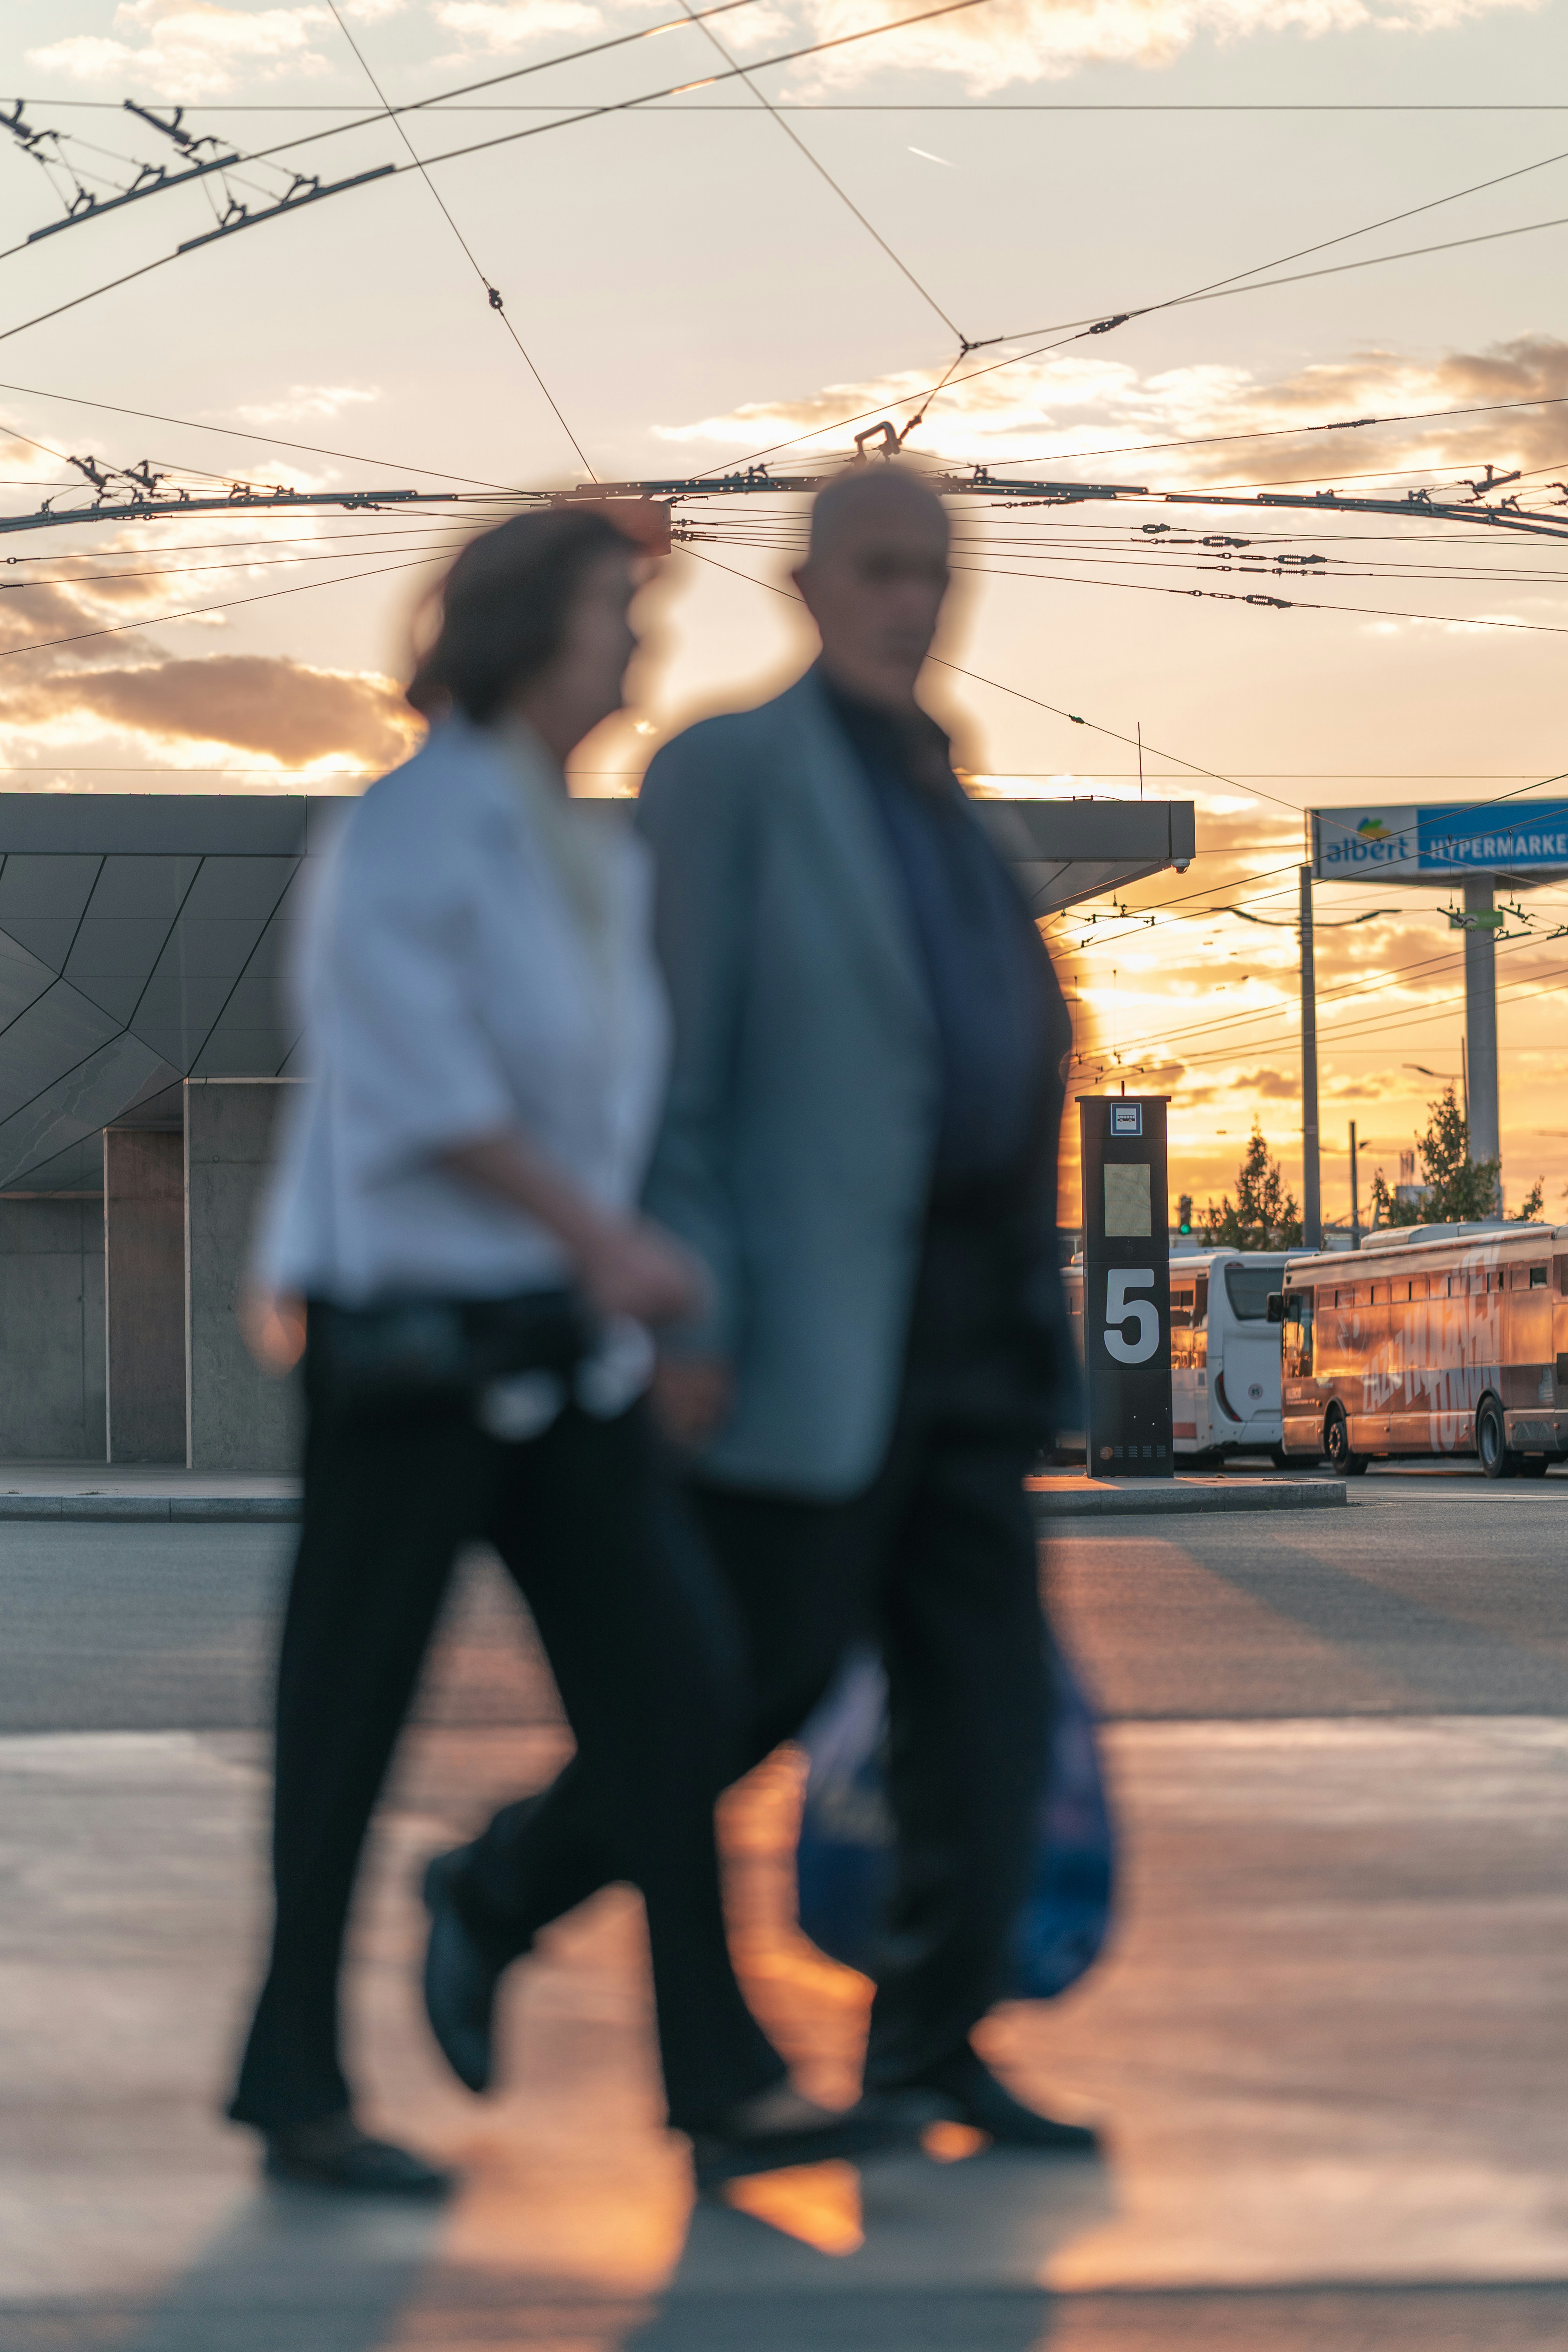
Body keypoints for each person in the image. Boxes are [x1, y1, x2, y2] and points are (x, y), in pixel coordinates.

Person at [229, 507, 903, 2196]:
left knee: (676, 1686)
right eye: (617, 613)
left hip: (567, 1361)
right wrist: (605, 1240)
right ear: (529, 628)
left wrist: (620, 1280)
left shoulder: (588, 854)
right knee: (350, 1714)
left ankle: (719, 2076)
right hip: (409, 1350)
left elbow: (610, 1106)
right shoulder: (414, 826)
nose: (640, 647)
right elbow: (412, 1082)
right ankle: (294, 2085)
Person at [423, 466, 1092, 2151]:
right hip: (799, 1327)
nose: (907, 600)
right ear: (806, 583)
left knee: (984, 1704)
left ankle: (928, 2045)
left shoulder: (950, 793)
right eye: (876, 569)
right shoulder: (731, 772)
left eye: (934, 573)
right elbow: (674, 1066)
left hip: (968, 1331)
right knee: (752, 1688)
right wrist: (692, 1318)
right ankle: (501, 1886)